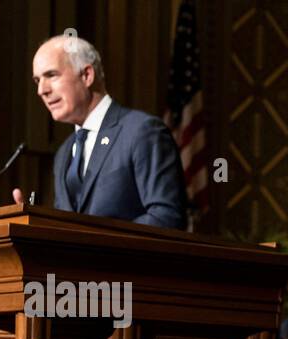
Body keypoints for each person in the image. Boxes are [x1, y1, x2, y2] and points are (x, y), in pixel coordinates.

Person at [14, 35, 186, 229]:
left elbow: (166, 217)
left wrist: (98, 241)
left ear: (87, 75)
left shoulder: (141, 132)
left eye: (51, 75)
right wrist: (33, 224)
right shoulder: (64, 152)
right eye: (37, 80)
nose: (41, 90)